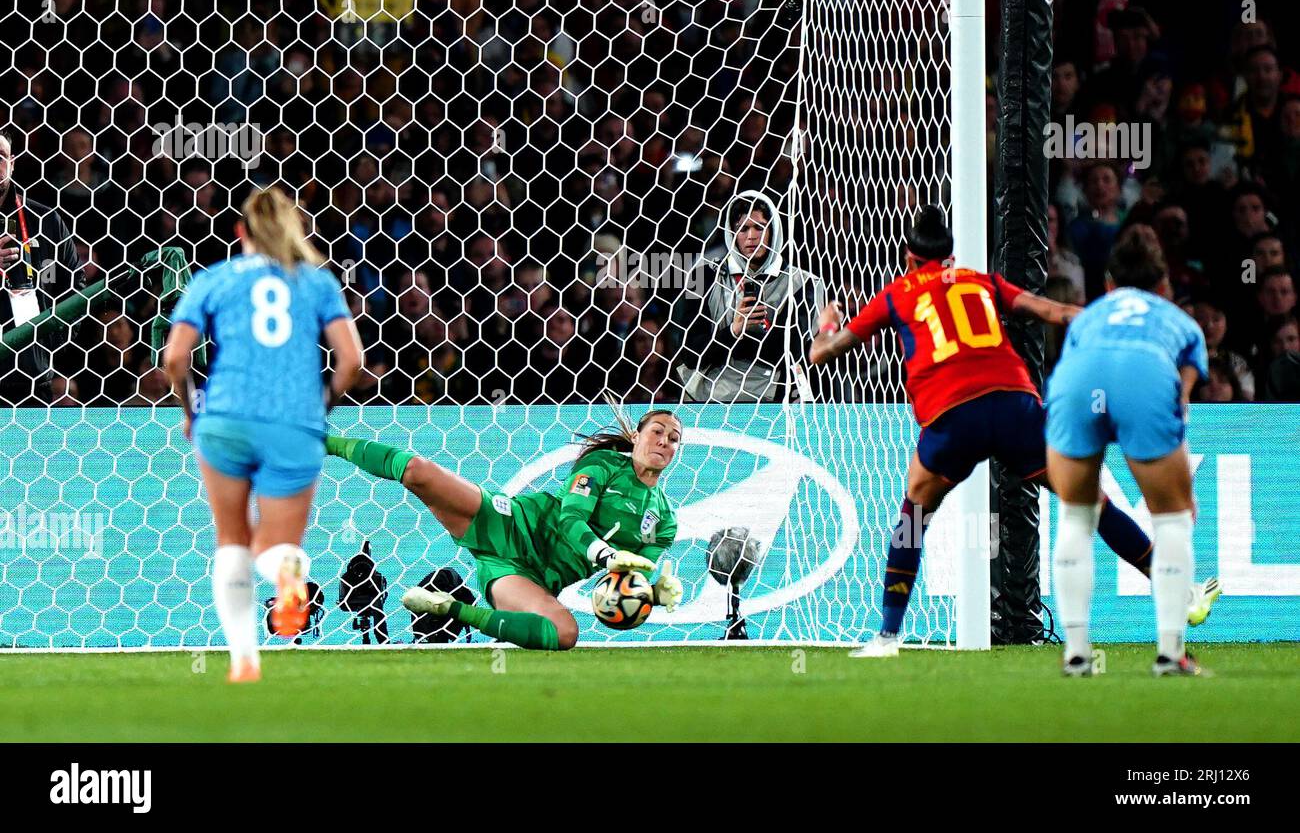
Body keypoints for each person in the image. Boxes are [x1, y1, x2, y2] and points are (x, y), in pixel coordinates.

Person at [807, 206, 1218, 658]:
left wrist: (827, 320)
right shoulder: (981, 282)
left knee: (913, 518)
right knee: (1093, 504)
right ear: (950, 257)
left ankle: (887, 636)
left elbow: (822, 354)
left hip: (952, 413)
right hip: (1014, 405)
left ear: (909, 258)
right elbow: (1053, 311)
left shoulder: (896, 294)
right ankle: (1180, 590)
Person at [163, 187, 363, 684]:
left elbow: (174, 358)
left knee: (231, 540)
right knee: (279, 543)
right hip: (294, 424)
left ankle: (244, 661)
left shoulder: (214, 279)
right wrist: (320, 405)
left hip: (226, 419)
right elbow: (352, 360)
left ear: (240, 233)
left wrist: (192, 410)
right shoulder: (317, 284)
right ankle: (288, 577)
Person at [325, 409, 684, 650]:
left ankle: (451, 609)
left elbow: (622, 595)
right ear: (636, 436)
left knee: (565, 634)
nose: (664, 441)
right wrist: (606, 555)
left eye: (673, 438)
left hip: (528, 577)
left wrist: (653, 596)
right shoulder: (603, 463)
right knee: (420, 471)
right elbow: (570, 520)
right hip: (509, 523)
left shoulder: (664, 523)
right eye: (657, 431)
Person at [1046, 225, 1209, 677]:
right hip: (1145, 378)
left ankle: (1076, 654)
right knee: (1173, 518)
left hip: (1077, 382)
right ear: (1163, 287)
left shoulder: (1090, 315)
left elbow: (1071, 359)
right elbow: (1184, 391)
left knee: (1077, 516)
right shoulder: (1180, 321)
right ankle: (1171, 654)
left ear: (1108, 284)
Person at [673, 189, 826, 402]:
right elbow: (690, 353)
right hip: (710, 400)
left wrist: (732, 339)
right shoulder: (703, 277)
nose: (751, 236)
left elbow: (794, 353)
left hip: (777, 400)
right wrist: (734, 330)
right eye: (742, 228)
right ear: (730, 232)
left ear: (774, 231)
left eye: (759, 227)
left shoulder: (804, 283)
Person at [0, 129, 87, 404]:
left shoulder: (46, 221)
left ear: (12, 162)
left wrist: (49, 344)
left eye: (0, 156)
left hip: (32, 377)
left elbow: (75, 288)